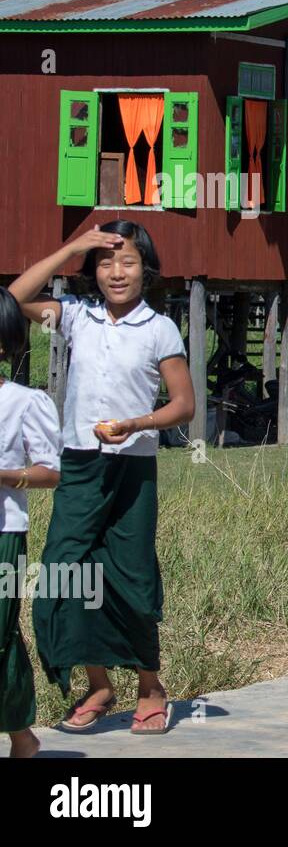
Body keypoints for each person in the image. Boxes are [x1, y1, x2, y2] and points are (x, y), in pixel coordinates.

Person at [9, 222, 194, 735]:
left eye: (129, 261)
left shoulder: (160, 328)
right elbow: (13, 297)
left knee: (132, 578)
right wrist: (71, 247)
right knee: (68, 571)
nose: (117, 272)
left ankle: (150, 688)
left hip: (133, 467)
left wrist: (137, 423)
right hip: (81, 465)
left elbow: (184, 405)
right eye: (106, 262)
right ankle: (98, 683)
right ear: (92, 271)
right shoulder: (75, 318)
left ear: (147, 270)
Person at [0, 288, 61, 757]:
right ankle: (22, 736)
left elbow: (51, 471)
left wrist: (4, 474)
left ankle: (21, 736)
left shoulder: (24, 402)